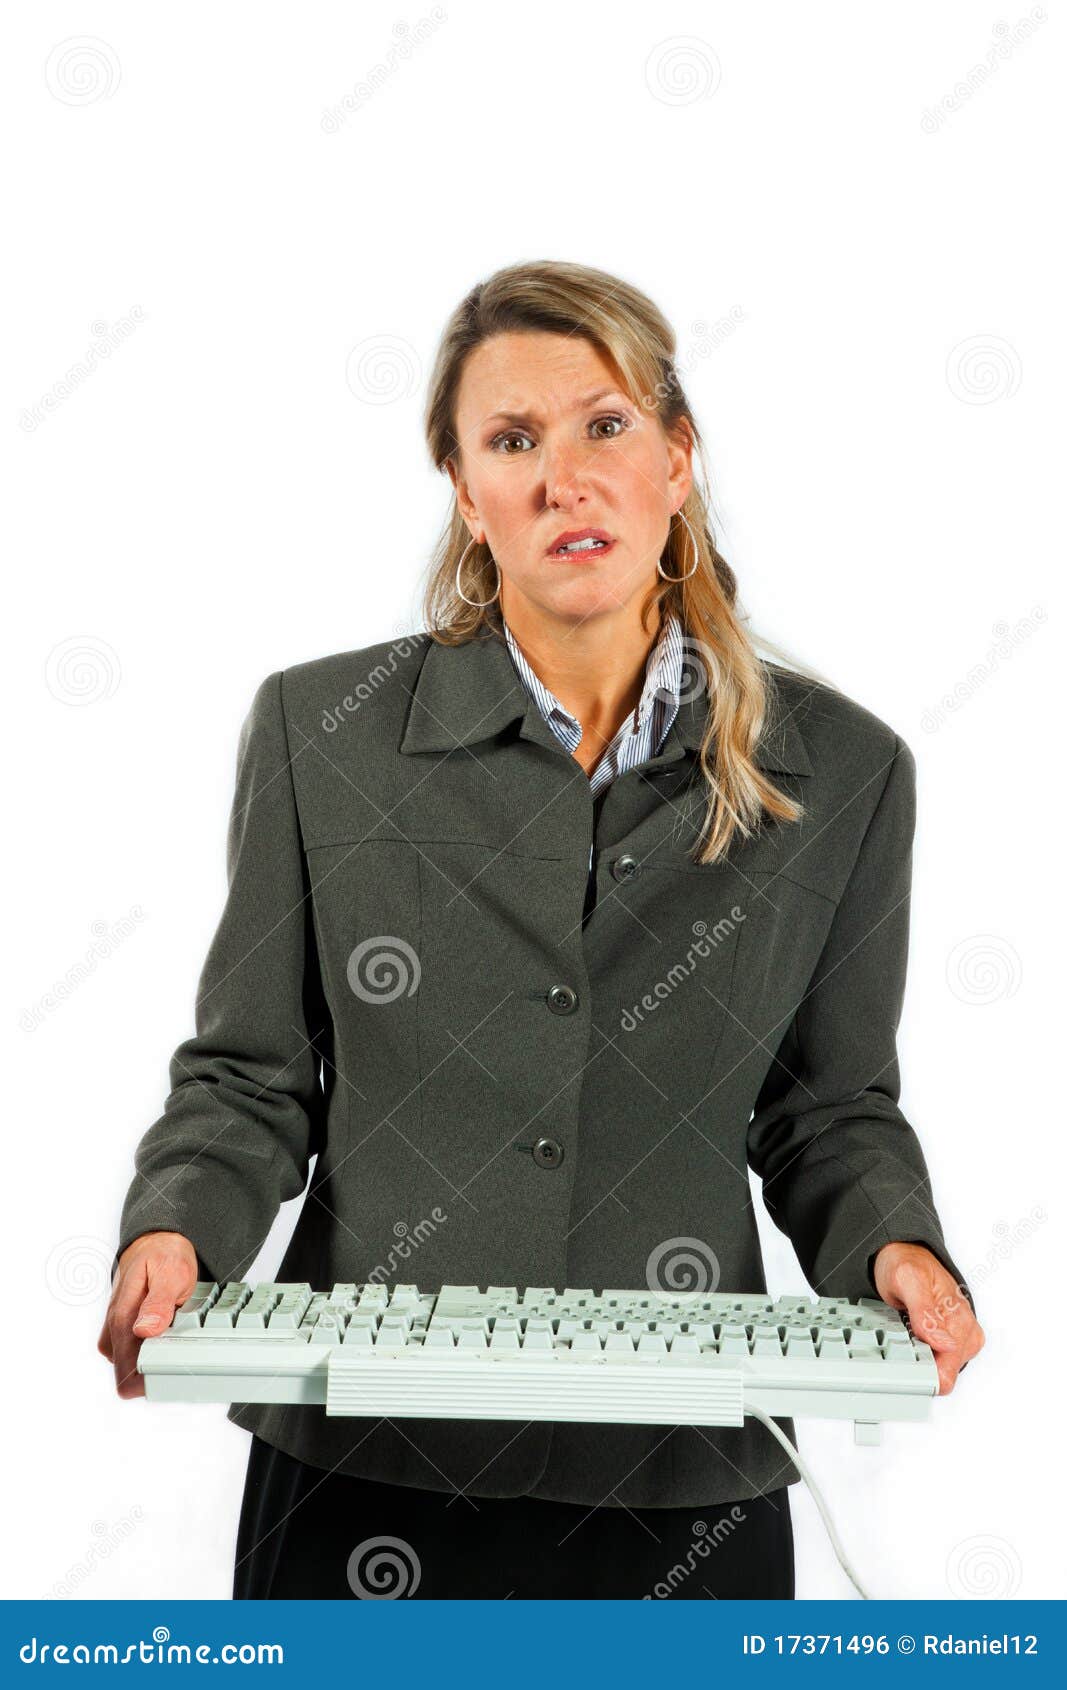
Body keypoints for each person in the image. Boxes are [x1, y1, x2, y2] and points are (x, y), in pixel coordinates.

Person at [99, 259, 984, 1599]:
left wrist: (896, 1245)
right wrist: (176, 1229)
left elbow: (829, 1109)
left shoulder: (845, 771)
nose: (564, 475)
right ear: (467, 491)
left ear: (677, 458)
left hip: (687, 1479)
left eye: (605, 425)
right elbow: (248, 1078)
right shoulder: (321, 737)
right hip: (364, 1468)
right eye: (512, 440)